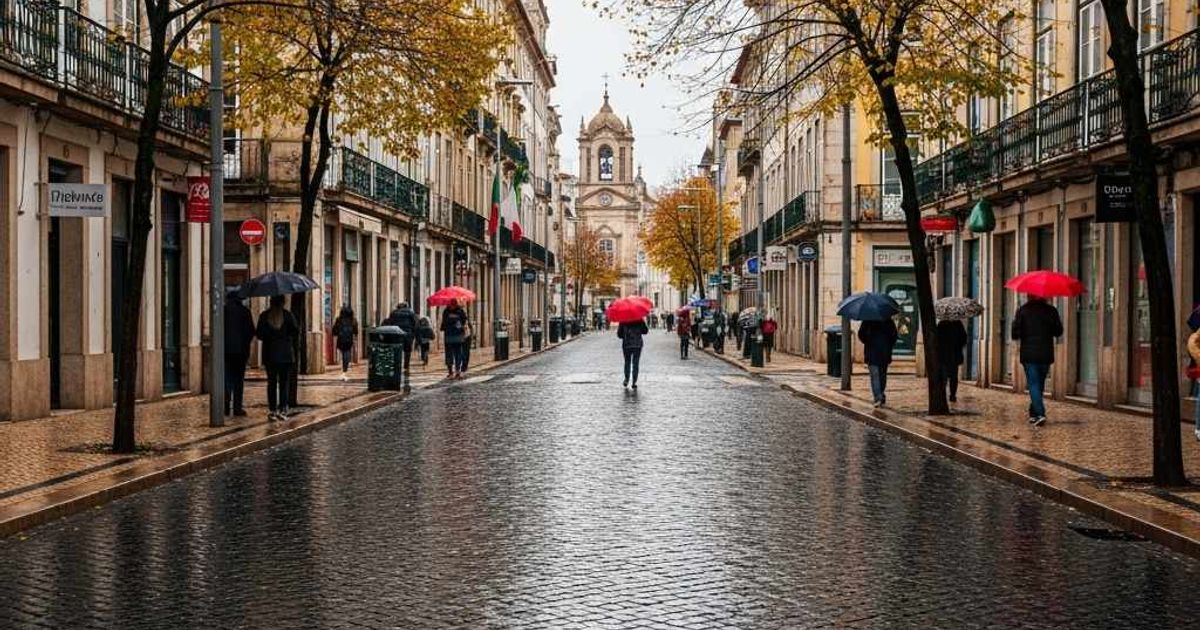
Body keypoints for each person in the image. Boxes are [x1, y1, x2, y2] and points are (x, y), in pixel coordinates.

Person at [1011, 295, 1063, 426]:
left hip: (1029, 354)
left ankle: (1040, 413)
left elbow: (1015, 334)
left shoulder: (1023, 310)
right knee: (1039, 383)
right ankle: (1033, 413)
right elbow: (1058, 332)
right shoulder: (1051, 311)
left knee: (1034, 384)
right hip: (1045, 354)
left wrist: (1016, 325)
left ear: (1029, 295)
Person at [256, 294, 300, 420]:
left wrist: (269, 337)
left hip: (270, 354)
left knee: (271, 382)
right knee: (284, 382)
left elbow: (259, 334)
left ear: (271, 302)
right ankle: (283, 408)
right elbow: (295, 331)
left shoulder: (264, 316)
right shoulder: (288, 315)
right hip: (285, 354)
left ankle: (272, 409)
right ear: (283, 302)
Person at [223, 290, 255, 417]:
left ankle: (225, 406)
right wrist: (245, 343)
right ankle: (237, 407)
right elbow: (251, 331)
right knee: (238, 380)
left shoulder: (223, 311)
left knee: (226, 379)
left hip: (225, 350)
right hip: (241, 352)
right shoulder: (245, 312)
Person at [858, 317, 899, 408]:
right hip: (881, 352)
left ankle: (879, 397)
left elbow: (861, 335)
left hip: (875, 352)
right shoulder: (887, 321)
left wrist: (868, 340)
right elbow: (894, 336)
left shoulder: (868, 320)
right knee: (880, 375)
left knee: (877, 375)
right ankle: (879, 396)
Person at [935, 318, 969, 403]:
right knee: (953, 377)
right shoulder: (958, 324)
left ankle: (943, 395)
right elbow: (964, 339)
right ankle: (952, 395)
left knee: (944, 376)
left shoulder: (941, 324)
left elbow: (936, 339)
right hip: (954, 355)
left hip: (944, 355)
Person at [383, 302, 418, 383]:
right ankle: (406, 366)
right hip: (408, 334)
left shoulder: (394, 313)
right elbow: (415, 324)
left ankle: (397, 365)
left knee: (396, 350)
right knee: (407, 351)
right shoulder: (411, 312)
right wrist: (414, 334)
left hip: (397, 333)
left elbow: (390, 323)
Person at [617, 317, 649, 388]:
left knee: (627, 362)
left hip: (627, 344)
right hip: (637, 344)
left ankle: (626, 379)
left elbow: (619, 334)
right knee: (636, 363)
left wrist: (625, 335)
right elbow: (645, 331)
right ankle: (634, 381)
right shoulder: (639, 319)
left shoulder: (623, 319)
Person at [440, 299, 468, 379]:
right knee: (453, 353)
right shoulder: (459, 311)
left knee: (456, 353)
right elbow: (464, 321)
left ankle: (455, 371)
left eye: (453, 304)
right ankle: (452, 371)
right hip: (453, 335)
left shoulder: (448, 311)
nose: (452, 306)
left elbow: (444, 323)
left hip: (453, 335)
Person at [333, 306, 358, 380]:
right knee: (346, 353)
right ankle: (344, 370)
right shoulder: (353, 320)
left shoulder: (339, 319)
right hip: (349, 339)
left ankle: (344, 369)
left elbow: (334, 330)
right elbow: (356, 331)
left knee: (344, 353)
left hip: (341, 339)